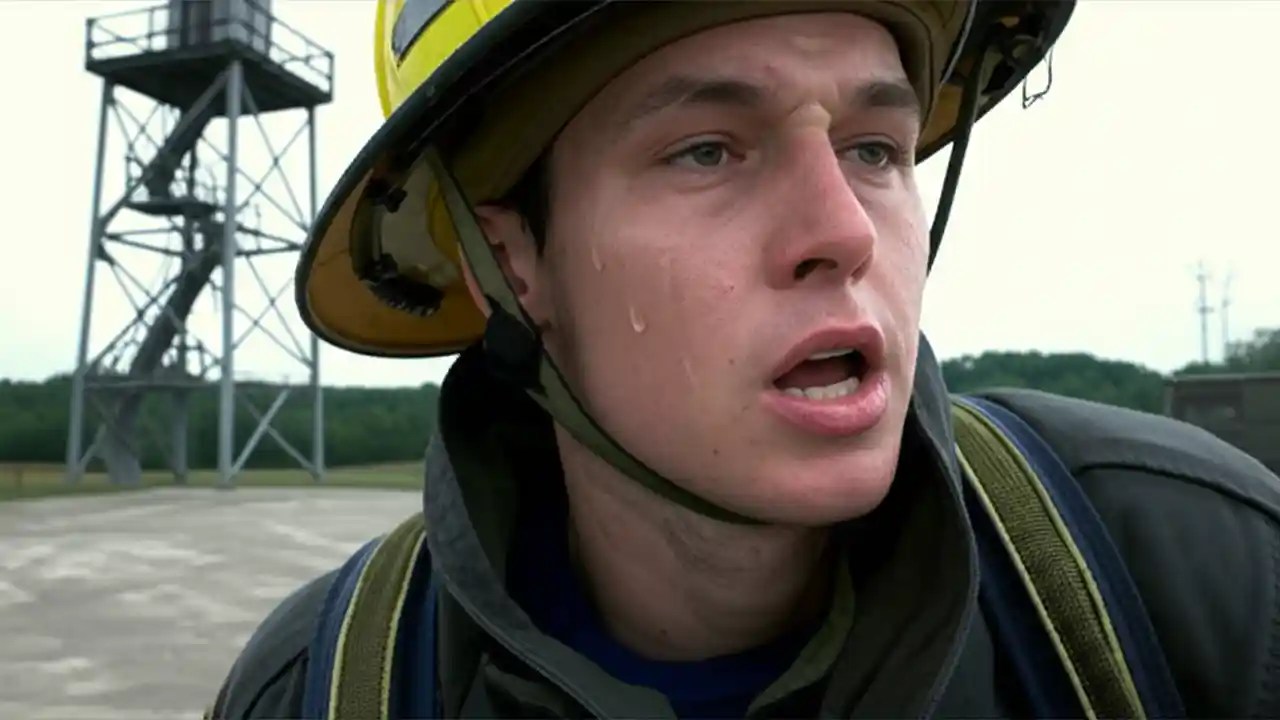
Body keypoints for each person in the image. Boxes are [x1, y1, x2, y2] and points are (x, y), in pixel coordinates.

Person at [209, 1, 1280, 718]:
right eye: (706, 151)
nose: (842, 231)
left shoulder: (1185, 582)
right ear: (509, 259)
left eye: (872, 148)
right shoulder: (330, 685)